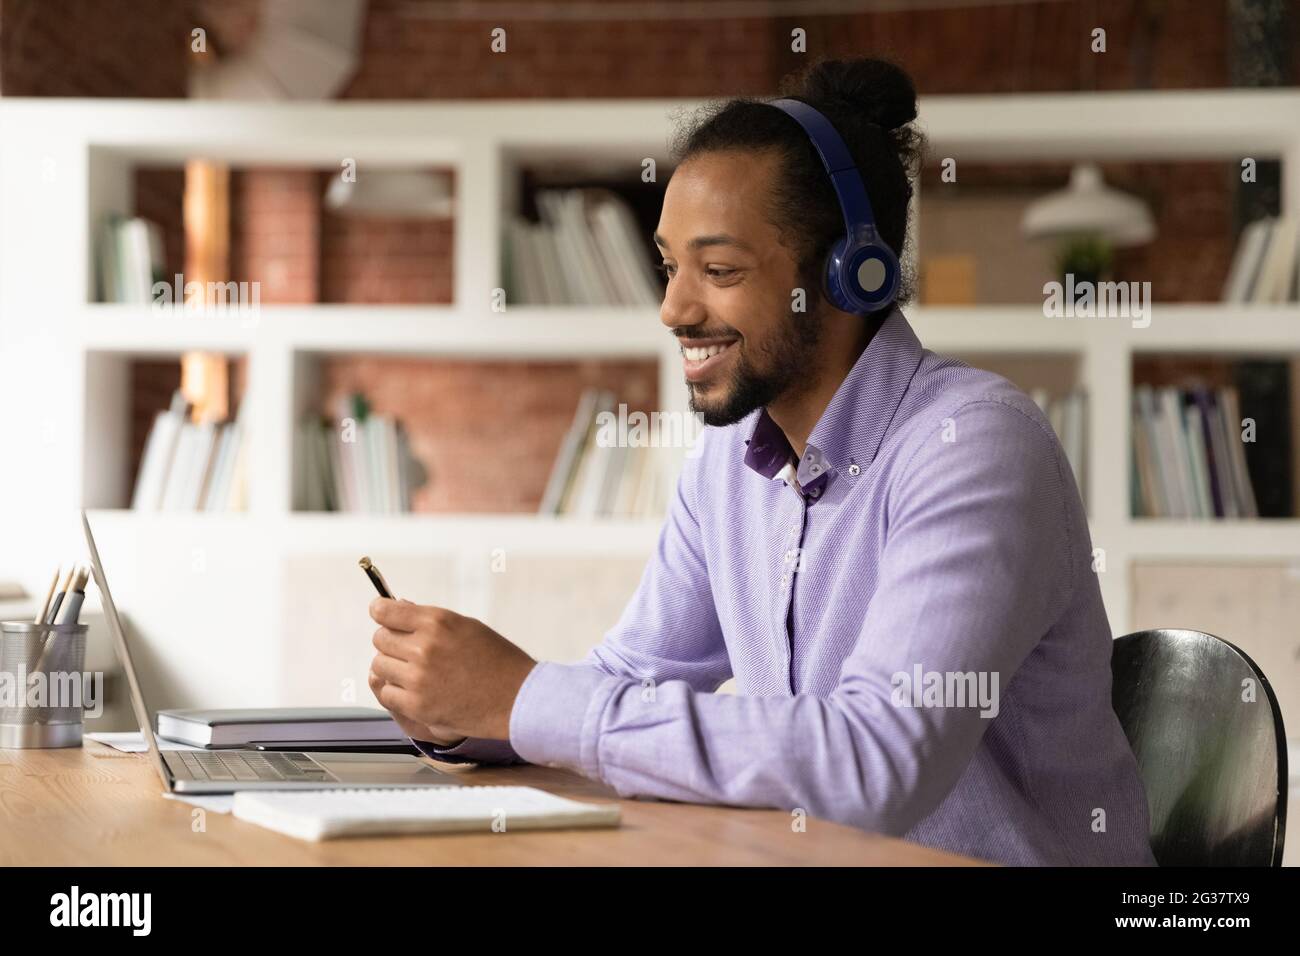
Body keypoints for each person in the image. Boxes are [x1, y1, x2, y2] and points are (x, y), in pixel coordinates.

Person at [367, 55, 1156, 866]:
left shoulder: (974, 447)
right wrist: (472, 711)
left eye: (719, 271)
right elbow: (633, 675)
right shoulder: (724, 467)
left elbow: (876, 761)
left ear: (851, 275)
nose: (673, 308)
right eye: (671, 266)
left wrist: (526, 698)